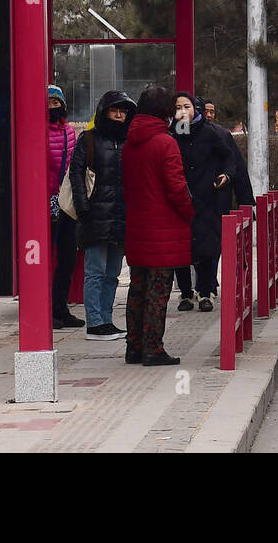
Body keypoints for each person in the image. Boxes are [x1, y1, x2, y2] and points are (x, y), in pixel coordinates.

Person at [122, 84, 195, 366]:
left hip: (137, 227)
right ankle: (153, 348)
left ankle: (134, 347)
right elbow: (177, 189)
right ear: (165, 113)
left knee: (137, 287)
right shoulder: (166, 143)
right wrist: (189, 212)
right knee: (159, 290)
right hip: (163, 230)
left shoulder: (130, 143)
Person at [71, 90, 136, 341]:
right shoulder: (89, 139)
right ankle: (95, 322)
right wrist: (83, 207)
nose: (119, 115)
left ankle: (106, 320)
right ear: (104, 112)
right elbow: (76, 175)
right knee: (95, 271)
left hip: (121, 216)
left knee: (112, 274)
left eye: (123, 111)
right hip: (95, 216)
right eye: (114, 110)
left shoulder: (130, 141)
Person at [171, 93, 236, 312]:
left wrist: (226, 175)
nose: (182, 111)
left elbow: (229, 158)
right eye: (178, 107)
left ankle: (206, 292)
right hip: (180, 201)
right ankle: (186, 294)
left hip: (208, 198)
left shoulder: (209, 132)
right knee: (181, 249)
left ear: (194, 109)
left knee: (208, 249)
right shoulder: (171, 134)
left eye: (186, 106)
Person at [47, 86, 83, 330]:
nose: (53, 107)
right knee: (44, 259)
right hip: (42, 202)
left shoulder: (71, 133)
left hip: (65, 202)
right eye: (48, 103)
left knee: (68, 257)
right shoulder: (36, 131)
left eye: (56, 102)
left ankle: (61, 306)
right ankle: (46, 309)